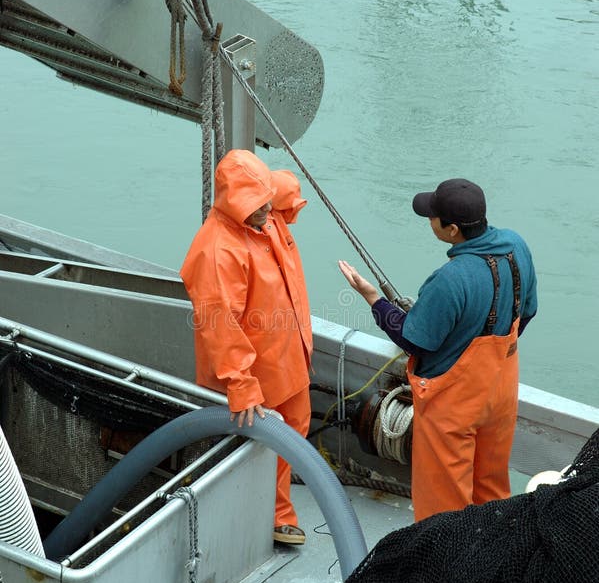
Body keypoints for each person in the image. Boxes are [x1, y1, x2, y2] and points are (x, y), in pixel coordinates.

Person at [338, 178, 537, 522]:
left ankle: (447, 571)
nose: (429, 220)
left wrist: (374, 299)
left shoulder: (451, 279)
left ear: (452, 230)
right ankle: (492, 563)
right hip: (501, 392)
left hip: (453, 406)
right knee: (492, 493)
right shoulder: (517, 247)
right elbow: (527, 312)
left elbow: (414, 340)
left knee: (443, 506)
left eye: (433, 217)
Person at [180, 149, 313, 545]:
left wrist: (269, 191)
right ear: (236, 203)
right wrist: (240, 382)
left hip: (290, 362)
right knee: (255, 449)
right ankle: (272, 516)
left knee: (293, 437)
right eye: (257, 205)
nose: (267, 211)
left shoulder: (264, 216)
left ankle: (277, 506)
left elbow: (283, 191)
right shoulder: (217, 251)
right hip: (256, 377)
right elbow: (218, 324)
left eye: (268, 201)